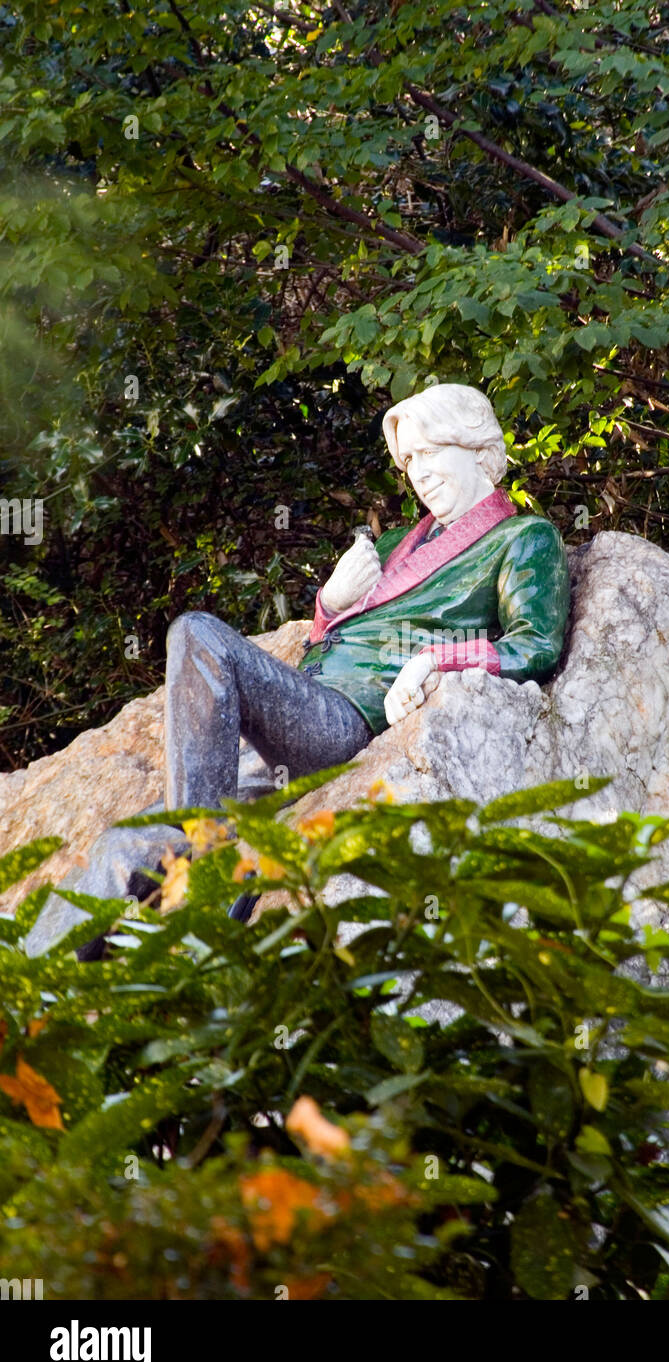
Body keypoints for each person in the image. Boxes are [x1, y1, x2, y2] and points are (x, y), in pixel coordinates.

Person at [25, 383, 570, 956]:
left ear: (479, 449)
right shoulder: (392, 544)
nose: (418, 472)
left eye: (431, 452)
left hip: (345, 722)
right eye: (409, 460)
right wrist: (330, 606)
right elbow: (326, 641)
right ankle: (28, 993)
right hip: (293, 718)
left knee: (196, 632)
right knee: (122, 844)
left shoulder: (522, 538)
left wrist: (433, 659)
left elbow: (534, 645)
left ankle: (206, 851)